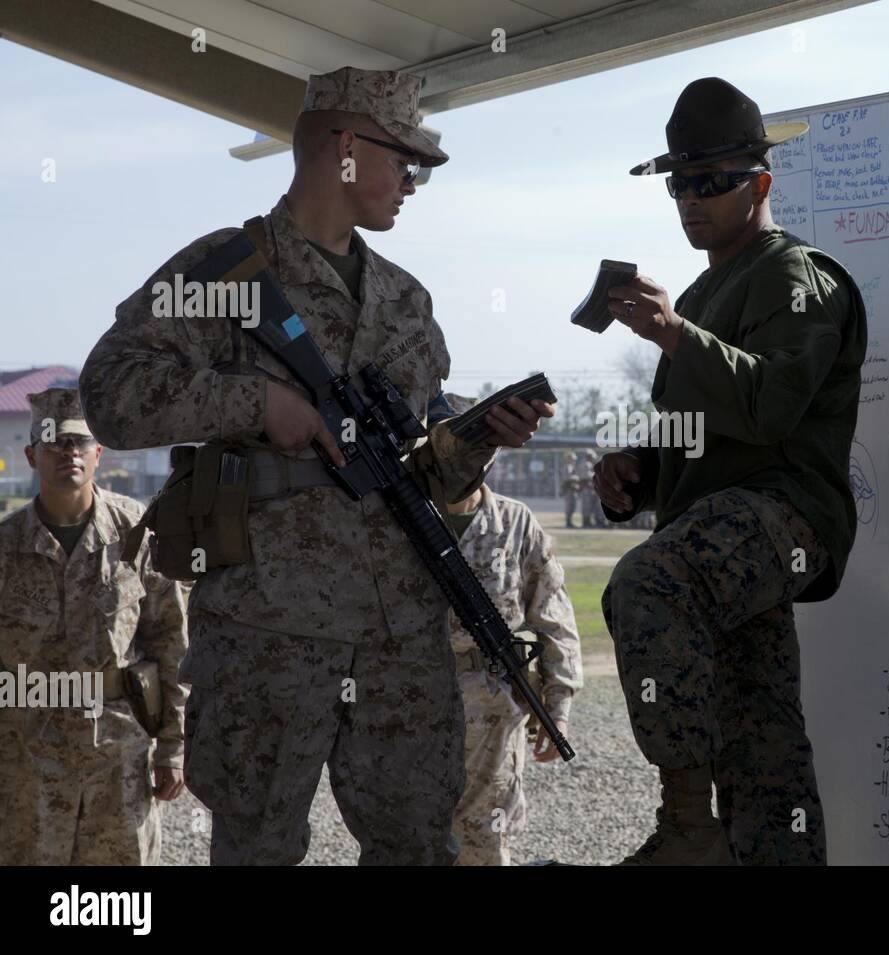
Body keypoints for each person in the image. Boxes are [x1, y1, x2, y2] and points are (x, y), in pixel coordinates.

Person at [78, 66, 553, 865]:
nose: (413, 181)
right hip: (270, 628)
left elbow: (422, 468)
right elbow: (111, 394)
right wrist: (257, 406)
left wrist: (476, 440)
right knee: (258, 847)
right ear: (342, 148)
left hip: (400, 628)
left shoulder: (406, 300)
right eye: (405, 160)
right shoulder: (227, 273)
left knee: (417, 848)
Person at [594, 78, 868, 865]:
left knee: (648, 583)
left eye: (714, 182)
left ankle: (685, 823)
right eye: (681, 182)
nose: (693, 199)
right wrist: (636, 473)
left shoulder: (797, 276)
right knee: (761, 745)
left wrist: (677, 335)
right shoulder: (707, 291)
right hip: (723, 530)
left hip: (782, 515)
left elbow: (770, 407)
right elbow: (703, 432)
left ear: (762, 184)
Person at [0, 388, 188, 864]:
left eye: (79, 443)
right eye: (53, 442)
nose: (68, 452)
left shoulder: (136, 535)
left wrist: (173, 746)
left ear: (98, 453)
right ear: (31, 455)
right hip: (24, 752)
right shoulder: (5, 546)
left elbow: (172, 643)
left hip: (118, 751)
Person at [438, 396, 581, 864]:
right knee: (406, 842)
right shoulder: (396, 521)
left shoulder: (516, 522)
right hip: (407, 711)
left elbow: (553, 620)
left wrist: (557, 708)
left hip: (493, 719)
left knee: (485, 846)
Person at [560, 451, 580, 528]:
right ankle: (568, 523)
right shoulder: (568, 467)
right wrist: (577, 478)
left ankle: (570, 522)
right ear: (568, 459)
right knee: (569, 506)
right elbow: (567, 478)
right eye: (572, 459)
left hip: (572, 490)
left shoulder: (571, 467)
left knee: (572, 506)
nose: (574, 461)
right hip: (569, 489)